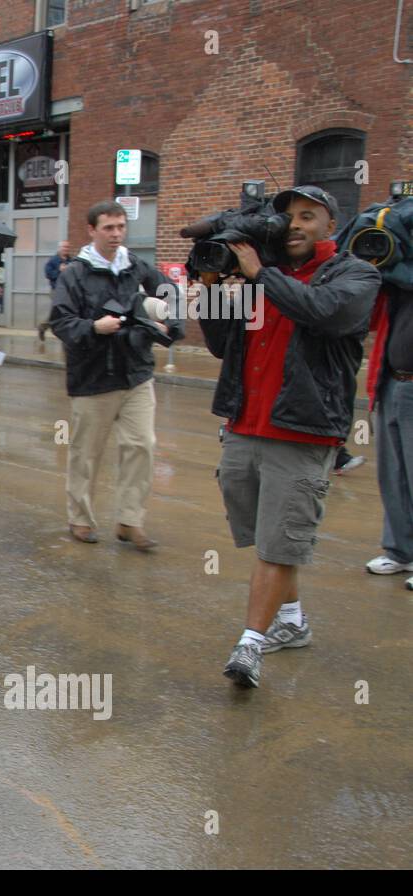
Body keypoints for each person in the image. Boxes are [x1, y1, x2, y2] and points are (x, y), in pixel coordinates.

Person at [196, 185, 380, 688]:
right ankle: (292, 620)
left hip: (302, 431)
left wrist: (261, 273)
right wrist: (212, 284)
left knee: (279, 543)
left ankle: (250, 644)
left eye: (307, 216)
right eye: (287, 217)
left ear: (329, 225)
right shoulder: (263, 280)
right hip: (244, 423)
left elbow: (323, 312)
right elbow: (219, 344)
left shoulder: (354, 273)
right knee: (268, 535)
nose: (295, 225)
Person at [49, 200, 178, 551]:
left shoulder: (135, 266)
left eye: (121, 226)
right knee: (87, 453)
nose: (116, 233)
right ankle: (80, 519)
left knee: (142, 446)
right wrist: (94, 327)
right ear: (92, 231)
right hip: (93, 378)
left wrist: (164, 318)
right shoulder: (75, 273)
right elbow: (61, 321)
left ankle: (130, 521)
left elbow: (167, 291)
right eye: (108, 227)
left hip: (136, 374)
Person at [365, 284, 413, 589]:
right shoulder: (396, 278)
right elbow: (366, 319)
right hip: (391, 379)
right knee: (392, 474)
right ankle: (400, 550)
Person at [39, 240, 73, 340]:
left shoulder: (70, 260)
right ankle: (44, 327)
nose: (66, 249)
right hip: (56, 290)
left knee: (61, 312)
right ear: (60, 248)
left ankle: (44, 327)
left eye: (67, 247)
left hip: (68, 290)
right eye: (64, 247)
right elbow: (48, 274)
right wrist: (59, 270)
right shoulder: (53, 260)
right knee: (59, 312)